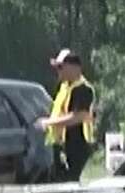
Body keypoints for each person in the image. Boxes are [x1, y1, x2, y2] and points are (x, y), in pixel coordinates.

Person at [36, 49, 96, 182]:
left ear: (75, 67)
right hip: (63, 145)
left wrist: (49, 123)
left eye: (61, 67)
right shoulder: (64, 88)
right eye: (57, 67)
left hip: (78, 145)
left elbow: (78, 116)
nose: (58, 71)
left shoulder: (83, 89)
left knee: (72, 183)